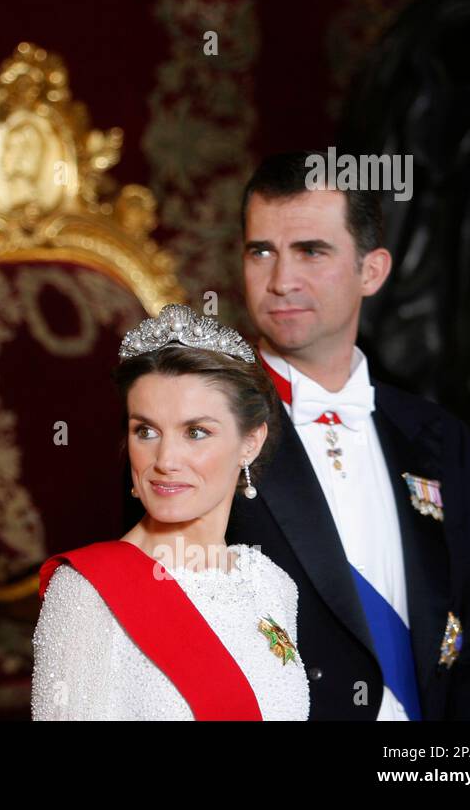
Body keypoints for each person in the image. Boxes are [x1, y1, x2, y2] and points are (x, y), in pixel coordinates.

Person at [223, 150, 470, 720]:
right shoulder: (199, 433)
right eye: (262, 252)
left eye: (311, 251)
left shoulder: (437, 436)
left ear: (372, 271)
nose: (282, 281)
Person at [31, 304, 309, 720]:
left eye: (196, 432)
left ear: (250, 442)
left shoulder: (272, 584)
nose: (165, 459)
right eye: (146, 431)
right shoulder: (86, 592)